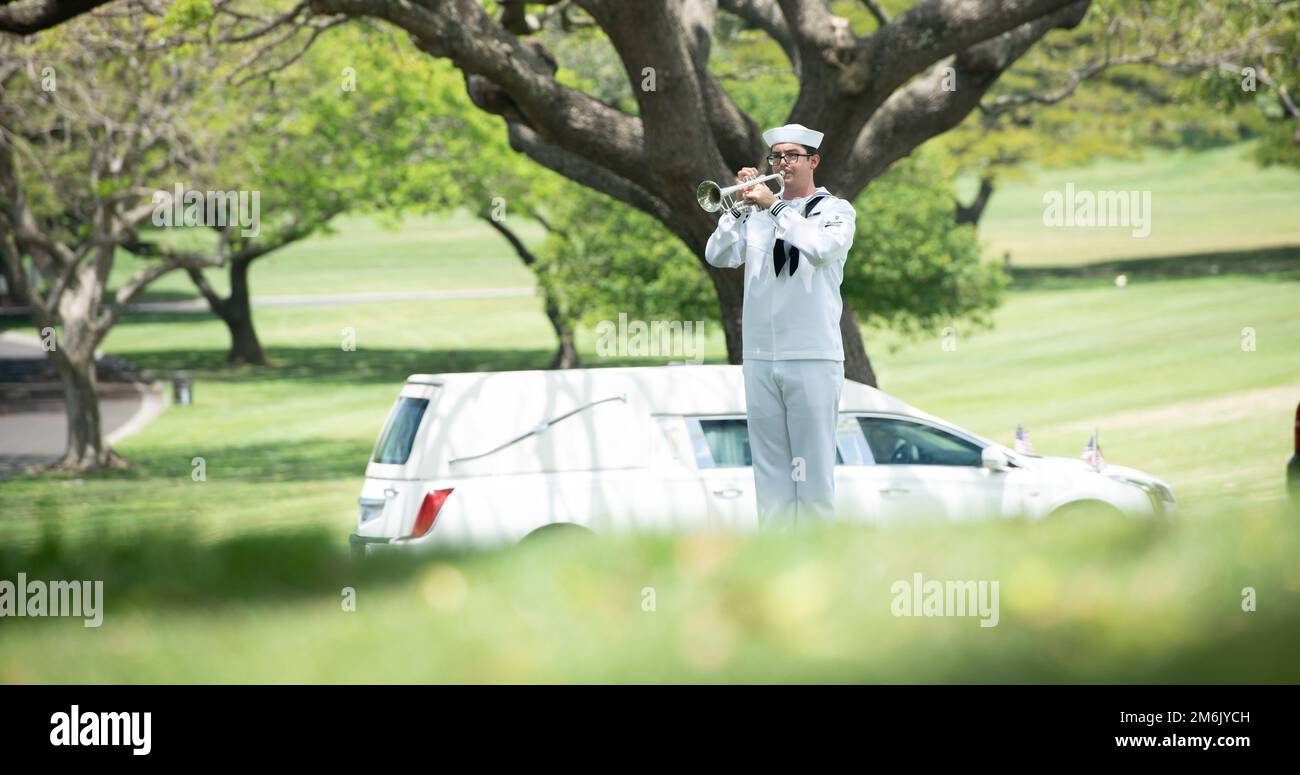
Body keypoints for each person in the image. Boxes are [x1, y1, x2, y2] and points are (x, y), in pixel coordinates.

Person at [704, 123, 857, 530]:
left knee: (814, 473)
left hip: (812, 354)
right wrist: (736, 208)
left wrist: (774, 207)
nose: (782, 163)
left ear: (814, 161)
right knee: (770, 473)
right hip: (759, 355)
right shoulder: (756, 215)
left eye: (791, 156)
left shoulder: (836, 211)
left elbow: (820, 250)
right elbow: (717, 255)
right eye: (775, 157)